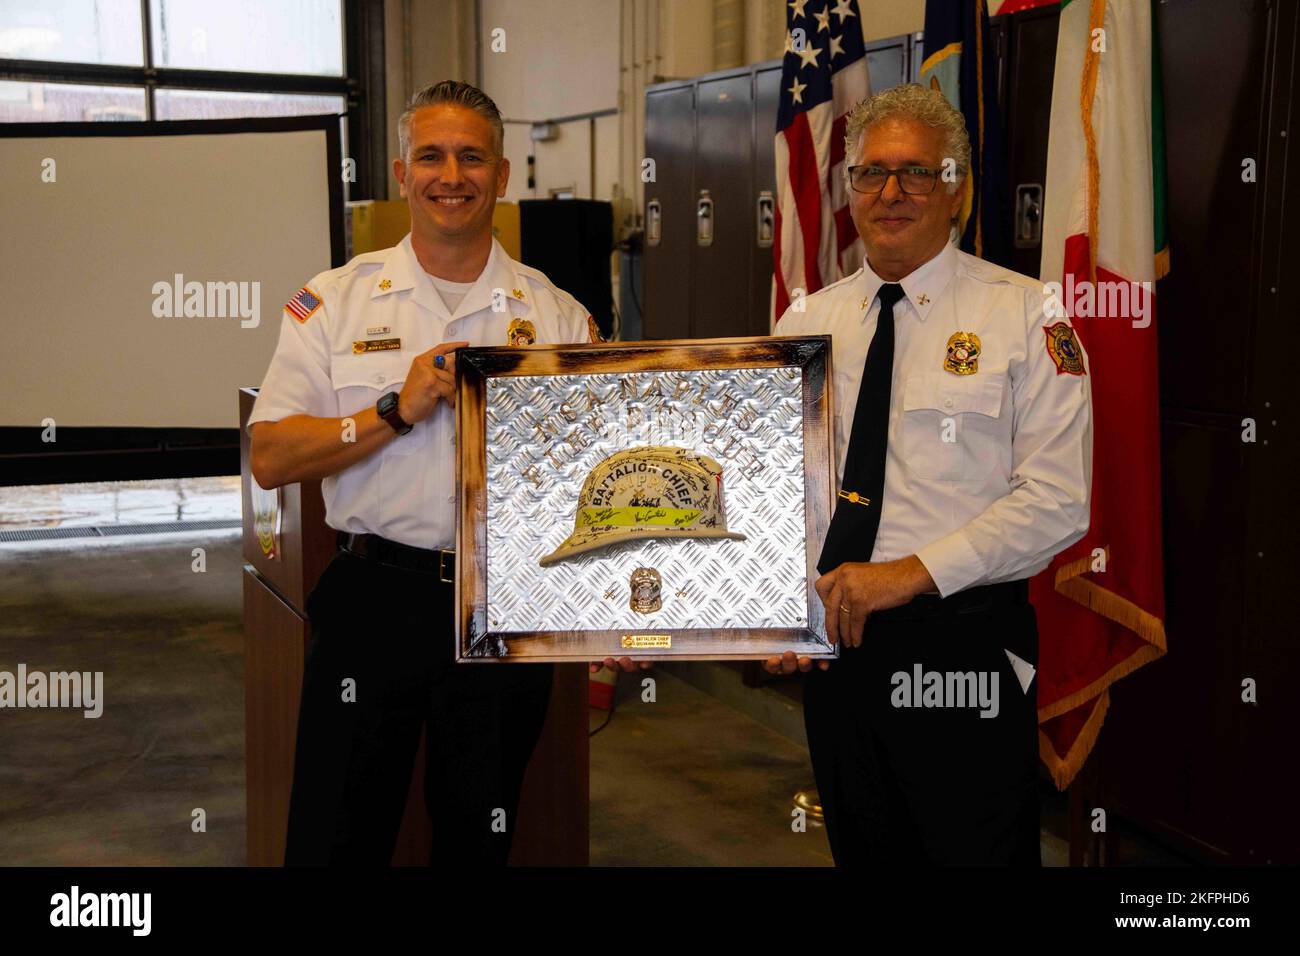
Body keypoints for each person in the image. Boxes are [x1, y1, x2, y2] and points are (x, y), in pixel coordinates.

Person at [249, 80, 600, 865]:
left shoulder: (560, 319)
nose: (452, 175)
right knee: (335, 837)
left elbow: (593, 480)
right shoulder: (330, 303)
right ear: (402, 173)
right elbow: (269, 455)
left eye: (472, 157)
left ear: (503, 176)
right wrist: (392, 409)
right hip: (373, 603)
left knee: (480, 838)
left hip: (504, 606)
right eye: (431, 156)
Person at [768, 83, 1093, 866]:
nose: (891, 193)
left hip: (964, 643)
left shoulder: (1028, 318)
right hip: (837, 643)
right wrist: (773, 607)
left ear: (957, 186)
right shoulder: (806, 323)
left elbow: (1058, 503)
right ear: (848, 191)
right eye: (871, 174)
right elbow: (775, 487)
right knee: (864, 846)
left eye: (916, 172)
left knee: (975, 851)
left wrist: (908, 575)